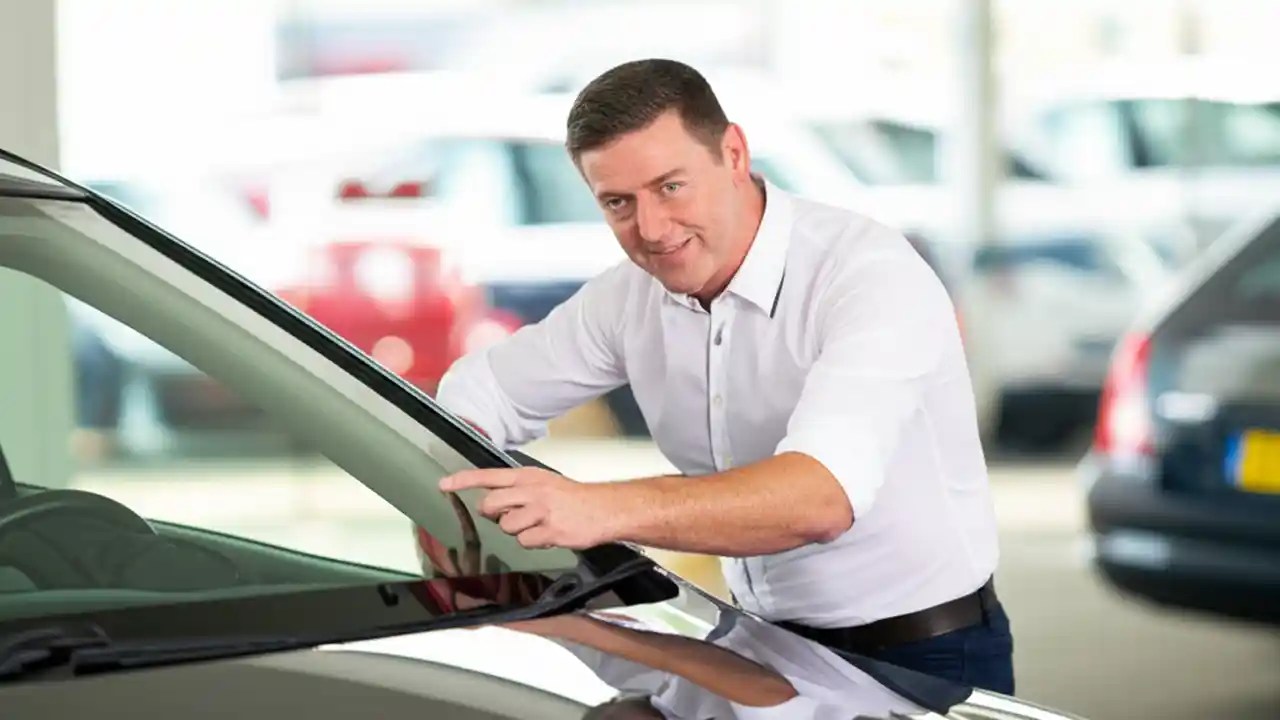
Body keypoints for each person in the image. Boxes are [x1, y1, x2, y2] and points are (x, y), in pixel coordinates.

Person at [433, 58, 1012, 694]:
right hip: (759, 648)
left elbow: (819, 498)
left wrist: (594, 508)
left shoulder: (868, 274)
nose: (651, 229)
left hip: (922, 657)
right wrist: (441, 501)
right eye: (618, 203)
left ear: (733, 152)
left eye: (670, 187)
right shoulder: (627, 299)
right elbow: (479, 390)